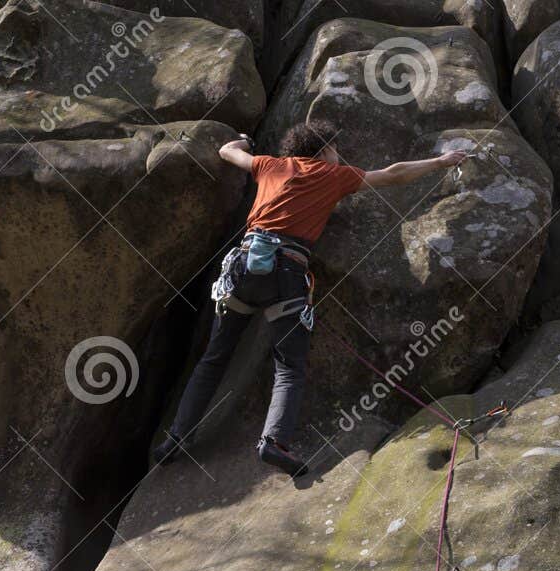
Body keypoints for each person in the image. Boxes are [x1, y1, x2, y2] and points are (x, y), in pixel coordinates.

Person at [154, 122, 468, 479]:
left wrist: (244, 139)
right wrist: (441, 162)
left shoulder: (270, 165)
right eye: (334, 147)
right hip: (286, 273)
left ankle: (178, 438)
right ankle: (273, 442)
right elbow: (392, 175)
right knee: (289, 366)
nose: (338, 154)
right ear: (323, 150)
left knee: (214, 357)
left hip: (242, 269)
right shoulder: (332, 174)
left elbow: (227, 152)